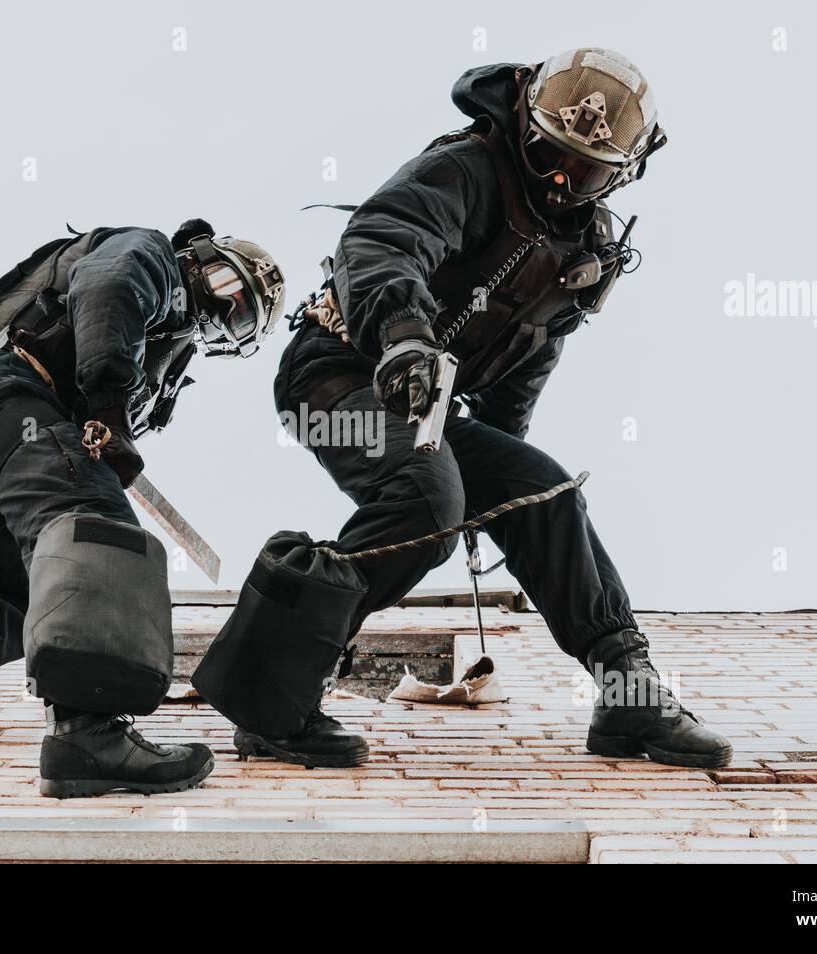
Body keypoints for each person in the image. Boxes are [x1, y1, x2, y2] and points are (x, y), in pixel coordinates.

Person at [201, 49, 732, 770]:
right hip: (338, 371)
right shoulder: (469, 168)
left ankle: (629, 695)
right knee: (426, 497)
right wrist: (403, 336)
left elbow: (525, 367)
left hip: (431, 403)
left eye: (586, 173)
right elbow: (384, 240)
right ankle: (270, 696)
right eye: (549, 155)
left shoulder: (583, 254)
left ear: (626, 172)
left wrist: (494, 492)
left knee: (541, 489)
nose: (559, 180)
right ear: (525, 128)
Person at [0, 219, 284, 796]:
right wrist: (110, 414)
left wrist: (107, 424)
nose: (222, 312)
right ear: (203, 257)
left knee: (48, 591)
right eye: (229, 289)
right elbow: (110, 286)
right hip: (1, 394)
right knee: (98, 536)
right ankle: (89, 732)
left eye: (238, 320)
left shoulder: (156, 341)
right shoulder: (149, 254)